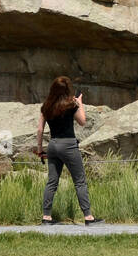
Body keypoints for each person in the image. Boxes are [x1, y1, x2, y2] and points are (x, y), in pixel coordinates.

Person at [36, 75, 102, 225]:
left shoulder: (46, 106)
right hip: (69, 145)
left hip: (53, 145)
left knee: (52, 182)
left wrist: (40, 149)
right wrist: (80, 103)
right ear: (67, 90)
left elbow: (40, 130)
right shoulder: (71, 104)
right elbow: (83, 121)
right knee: (79, 181)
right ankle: (88, 217)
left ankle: (46, 217)